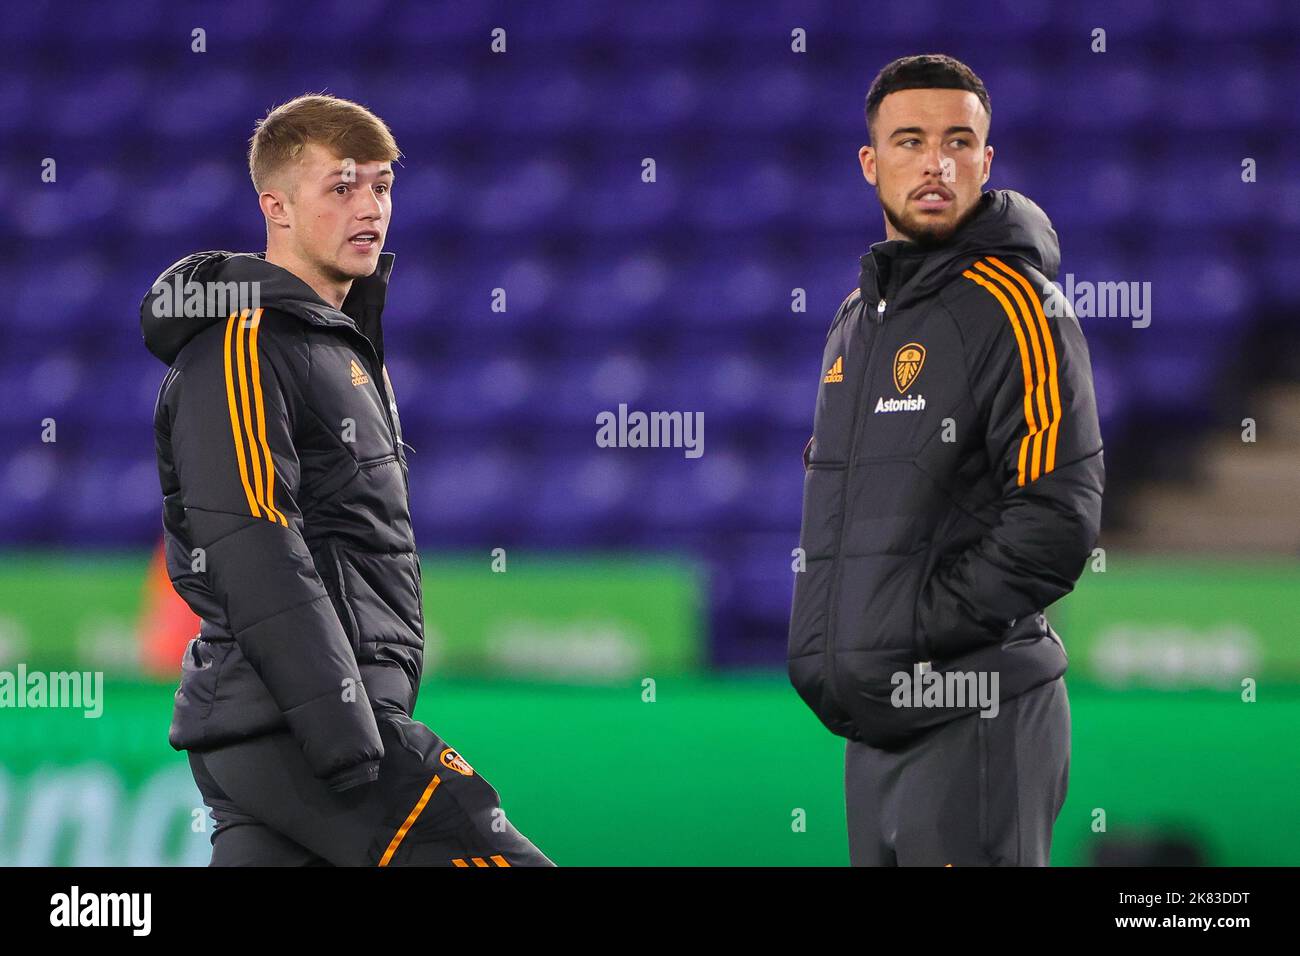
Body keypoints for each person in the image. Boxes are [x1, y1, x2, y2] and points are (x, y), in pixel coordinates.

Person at [142, 93, 551, 866]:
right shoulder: (243, 341)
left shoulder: (334, 345)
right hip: (305, 725)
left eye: (384, 186)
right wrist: (342, 732)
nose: (372, 206)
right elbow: (253, 538)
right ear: (278, 206)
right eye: (343, 186)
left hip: (304, 721)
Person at [787, 55, 1104, 866]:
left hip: (976, 709)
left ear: (986, 161)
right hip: (881, 721)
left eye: (960, 142)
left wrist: (914, 635)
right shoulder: (857, 319)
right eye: (911, 141)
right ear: (871, 162)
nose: (937, 162)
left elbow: (1055, 521)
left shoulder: (1021, 305)